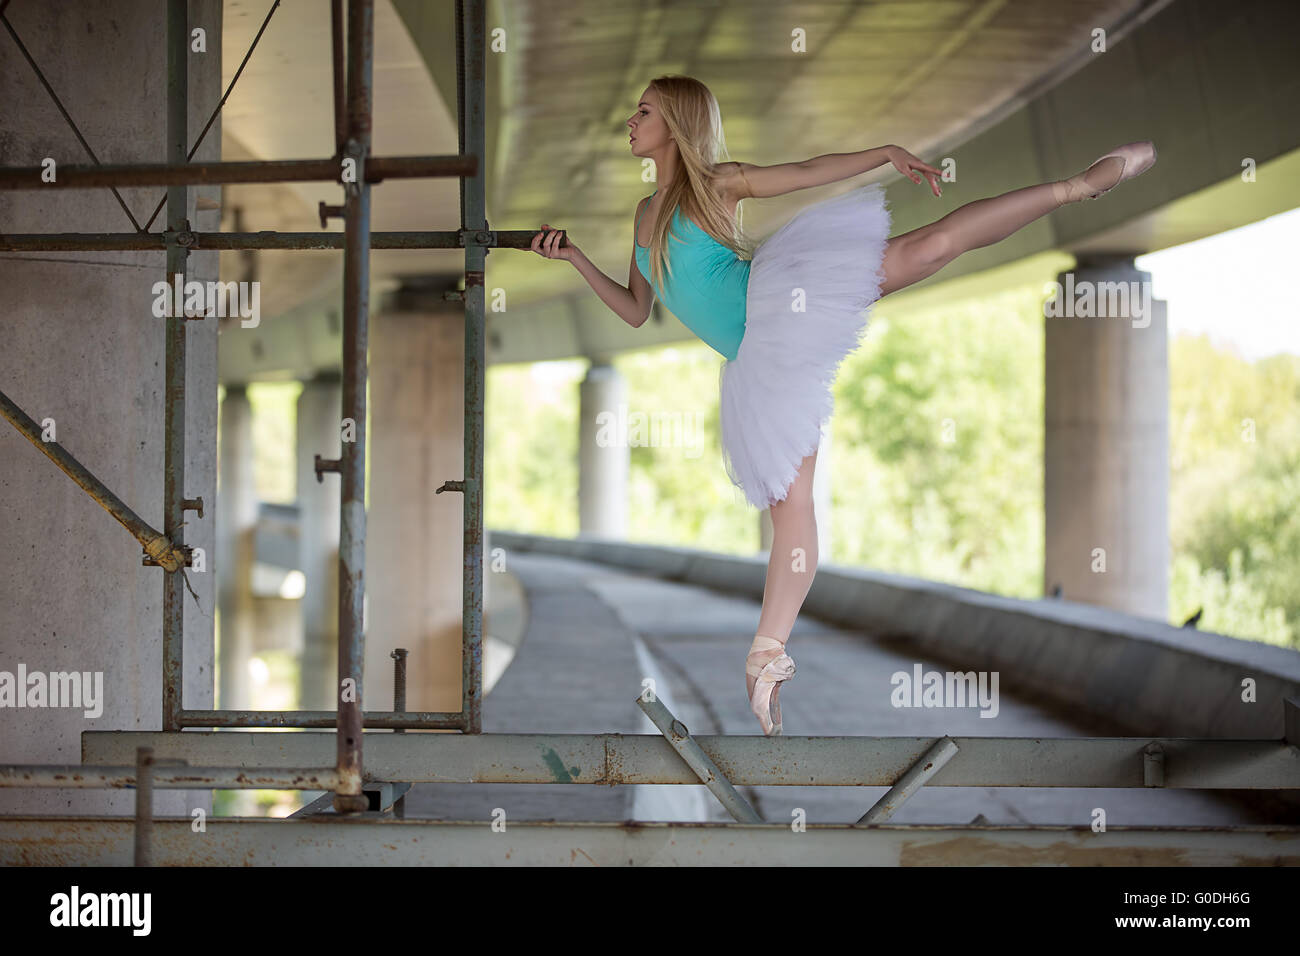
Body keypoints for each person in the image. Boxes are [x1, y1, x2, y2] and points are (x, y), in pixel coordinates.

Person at [530, 74, 1156, 735]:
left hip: (782, 305)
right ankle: (766, 656)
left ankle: (1077, 187)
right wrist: (573, 256)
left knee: (929, 246)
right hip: (756, 361)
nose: (631, 121)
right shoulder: (642, 217)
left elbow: (805, 172)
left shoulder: (714, 186)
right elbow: (634, 312)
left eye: (645, 110)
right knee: (790, 511)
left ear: (676, 123)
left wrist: (883, 154)